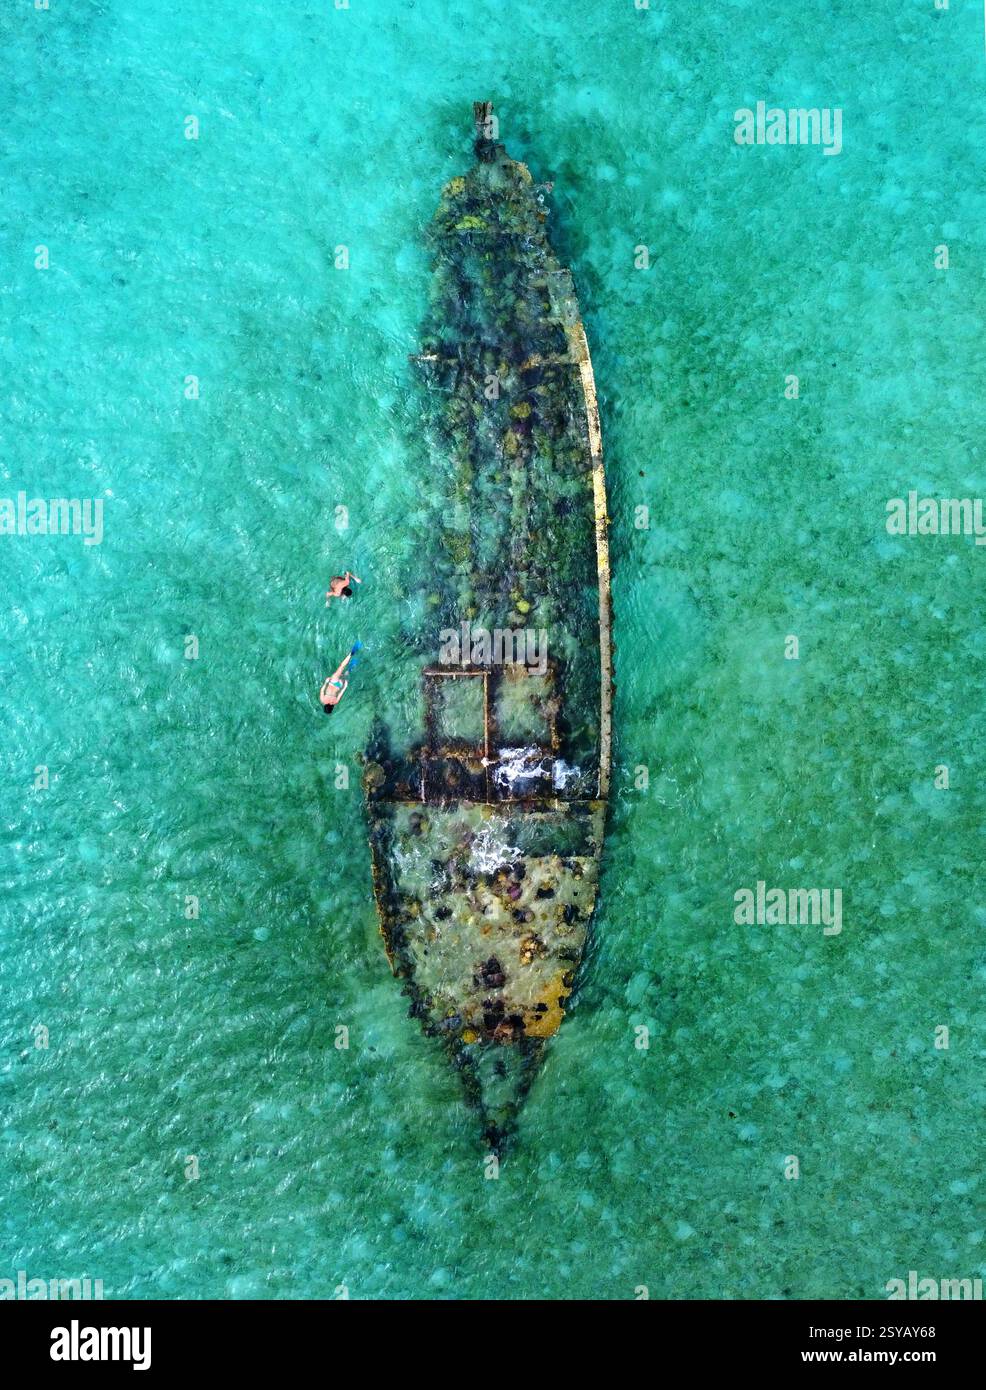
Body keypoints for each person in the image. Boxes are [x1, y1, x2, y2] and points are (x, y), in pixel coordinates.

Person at [319, 643, 362, 714]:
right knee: (341, 667)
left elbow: (341, 692)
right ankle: (350, 654)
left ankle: (350, 667)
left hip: (339, 685)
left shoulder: (335, 702)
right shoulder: (323, 700)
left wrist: (345, 686)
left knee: (345, 675)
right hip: (332, 682)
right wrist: (326, 682)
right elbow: (322, 690)